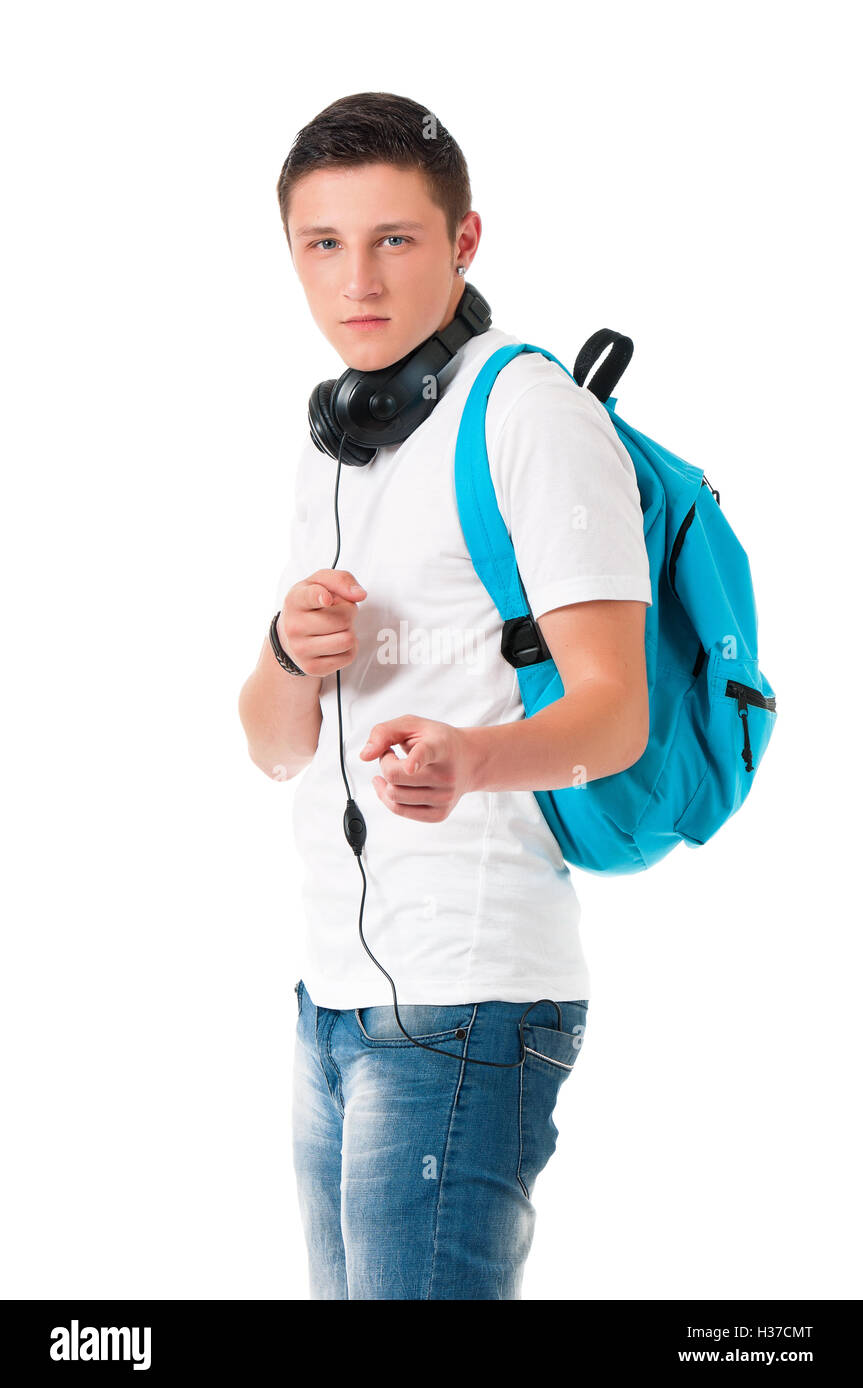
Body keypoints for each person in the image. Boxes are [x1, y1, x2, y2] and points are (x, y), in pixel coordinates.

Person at [238, 91, 652, 1300]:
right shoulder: (337, 441)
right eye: (323, 244)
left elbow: (612, 714)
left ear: (464, 242)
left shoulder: (527, 414)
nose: (354, 280)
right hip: (333, 998)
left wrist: (471, 757)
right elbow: (272, 747)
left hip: (467, 1003)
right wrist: (284, 650)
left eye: (393, 240)